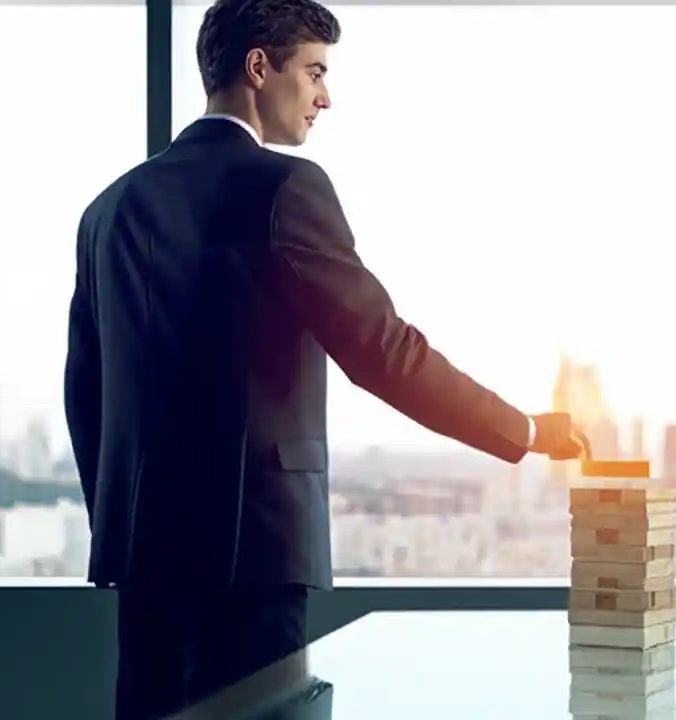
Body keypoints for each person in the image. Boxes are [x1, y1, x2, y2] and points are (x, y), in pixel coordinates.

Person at [62, 0, 587, 717]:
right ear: (258, 67)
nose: (324, 96)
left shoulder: (108, 209)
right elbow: (382, 350)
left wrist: (125, 524)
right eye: (313, 71)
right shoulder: (285, 188)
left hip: (144, 561)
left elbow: (85, 392)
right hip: (256, 558)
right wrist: (522, 431)